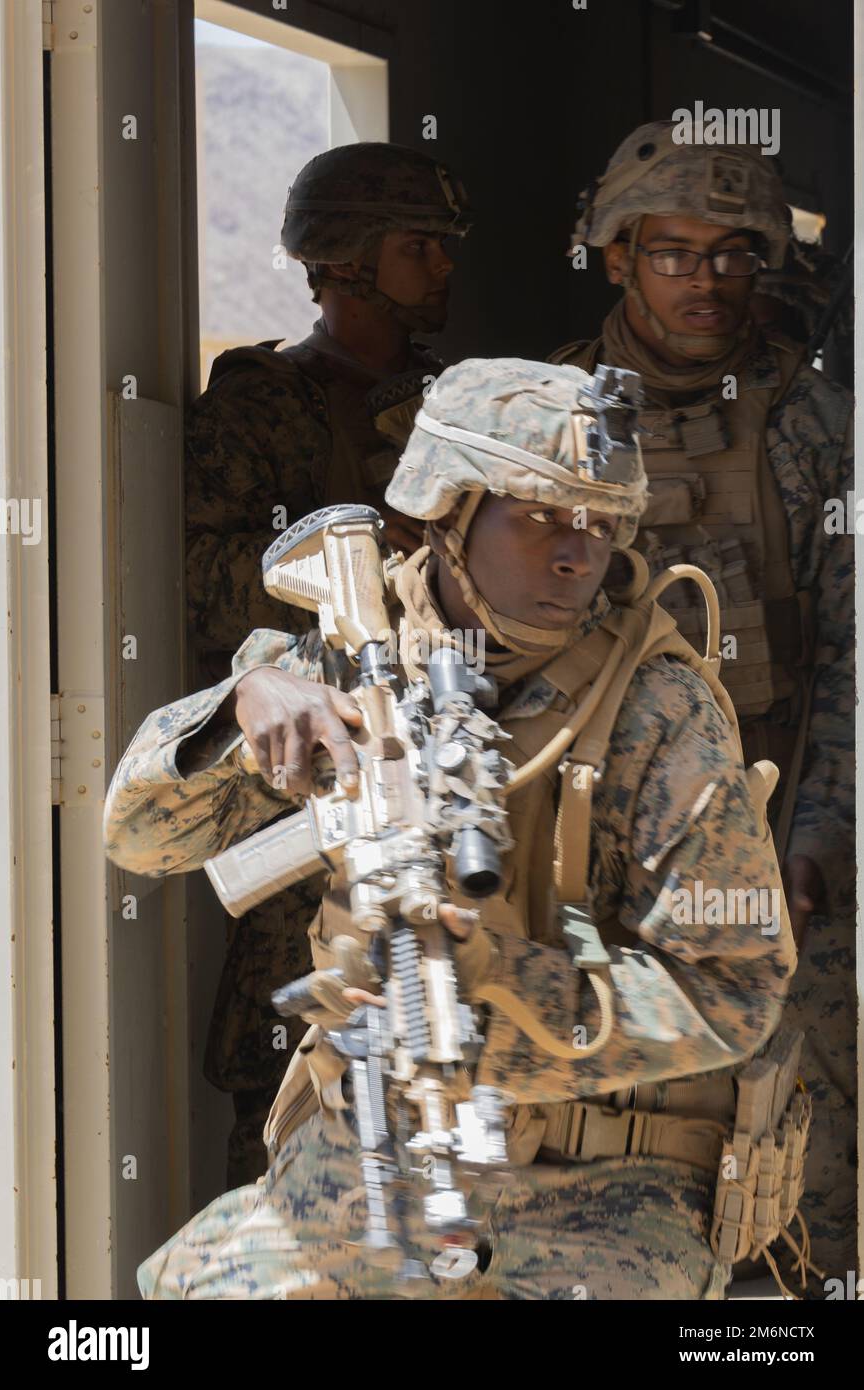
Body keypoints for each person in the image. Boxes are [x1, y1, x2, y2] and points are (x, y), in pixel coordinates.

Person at [105, 357, 800, 1300]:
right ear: (449, 510)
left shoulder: (660, 709)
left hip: (605, 1183)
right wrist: (241, 713)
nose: (575, 553)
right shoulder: (351, 655)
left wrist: (498, 989)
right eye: (542, 515)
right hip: (372, 1150)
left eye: (598, 524)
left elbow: (734, 989)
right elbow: (142, 838)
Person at [550, 121, 855, 1286]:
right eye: (673, 250)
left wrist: (821, 835)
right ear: (618, 254)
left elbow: (848, 653)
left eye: (734, 253)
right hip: (587, 859)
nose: (707, 281)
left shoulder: (813, 426)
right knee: (593, 1164)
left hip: (778, 860)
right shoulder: (544, 415)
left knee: (801, 1169)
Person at [186, 142, 471, 1185]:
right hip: (309, 794)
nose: (442, 267)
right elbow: (197, 581)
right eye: (418, 246)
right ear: (345, 259)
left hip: (438, 777)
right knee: (282, 1073)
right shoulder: (262, 405)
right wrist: (348, 549)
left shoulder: (454, 402)